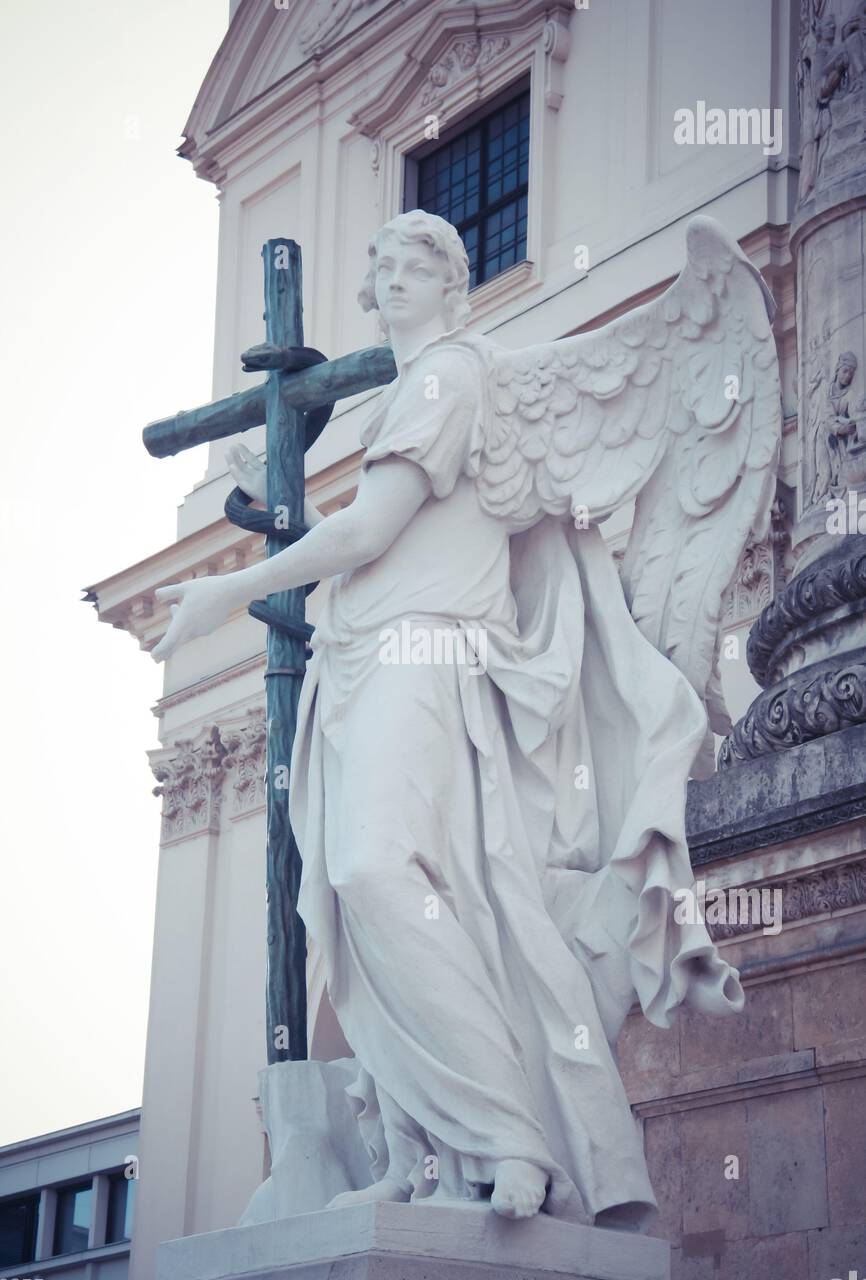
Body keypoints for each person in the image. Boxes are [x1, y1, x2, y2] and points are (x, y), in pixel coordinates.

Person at [152, 211, 744, 1227]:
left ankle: (508, 1131)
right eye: (375, 261)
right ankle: (415, 1147)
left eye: (410, 261)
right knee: (359, 913)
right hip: (360, 664)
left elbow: (374, 526)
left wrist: (225, 594)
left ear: (453, 284)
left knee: (374, 873)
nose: (385, 275)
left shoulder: (449, 375)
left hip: (422, 657)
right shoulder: (398, 395)